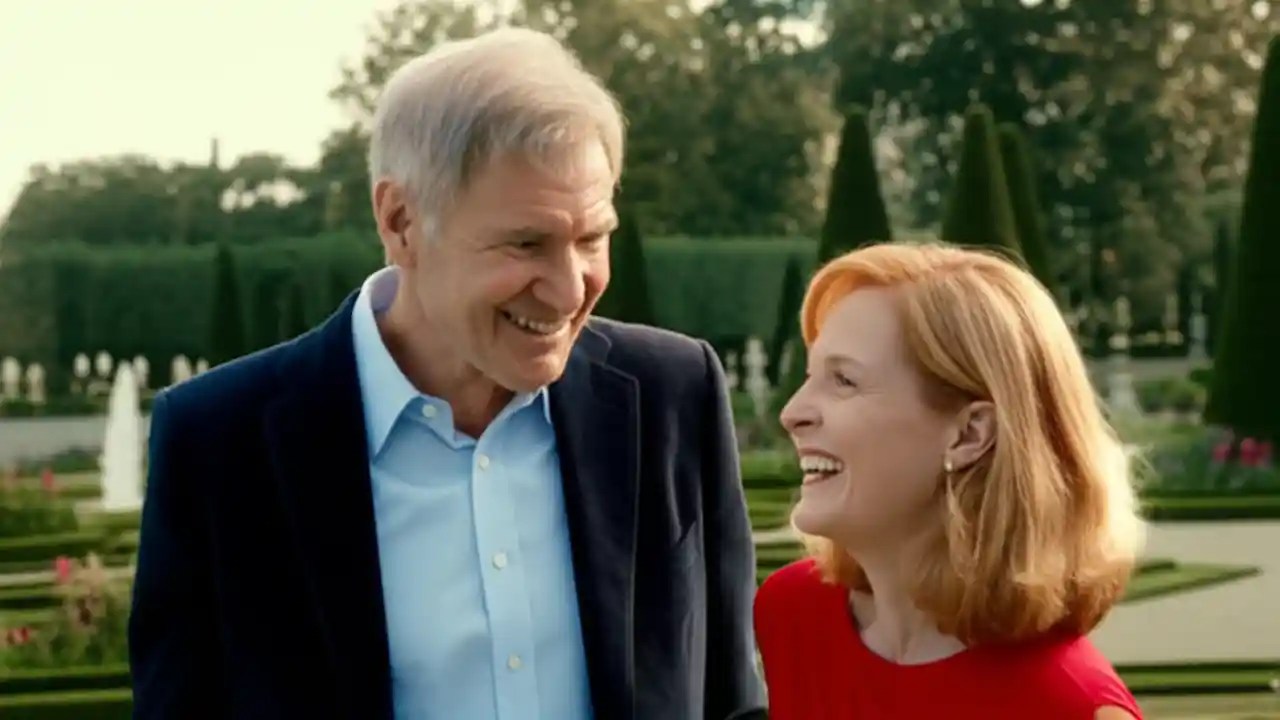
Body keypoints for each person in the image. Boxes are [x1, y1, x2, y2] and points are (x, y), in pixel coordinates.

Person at [128, 27, 765, 720]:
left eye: (592, 238)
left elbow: (731, 697)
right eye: (527, 244)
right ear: (400, 221)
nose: (569, 288)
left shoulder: (673, 395)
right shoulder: (221, 443)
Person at [754, 241, 1146, 719]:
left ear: (969, 434)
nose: (791, 414)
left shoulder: (1071, 705)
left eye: (844, 382)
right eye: (811, 375)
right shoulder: (793, 617)